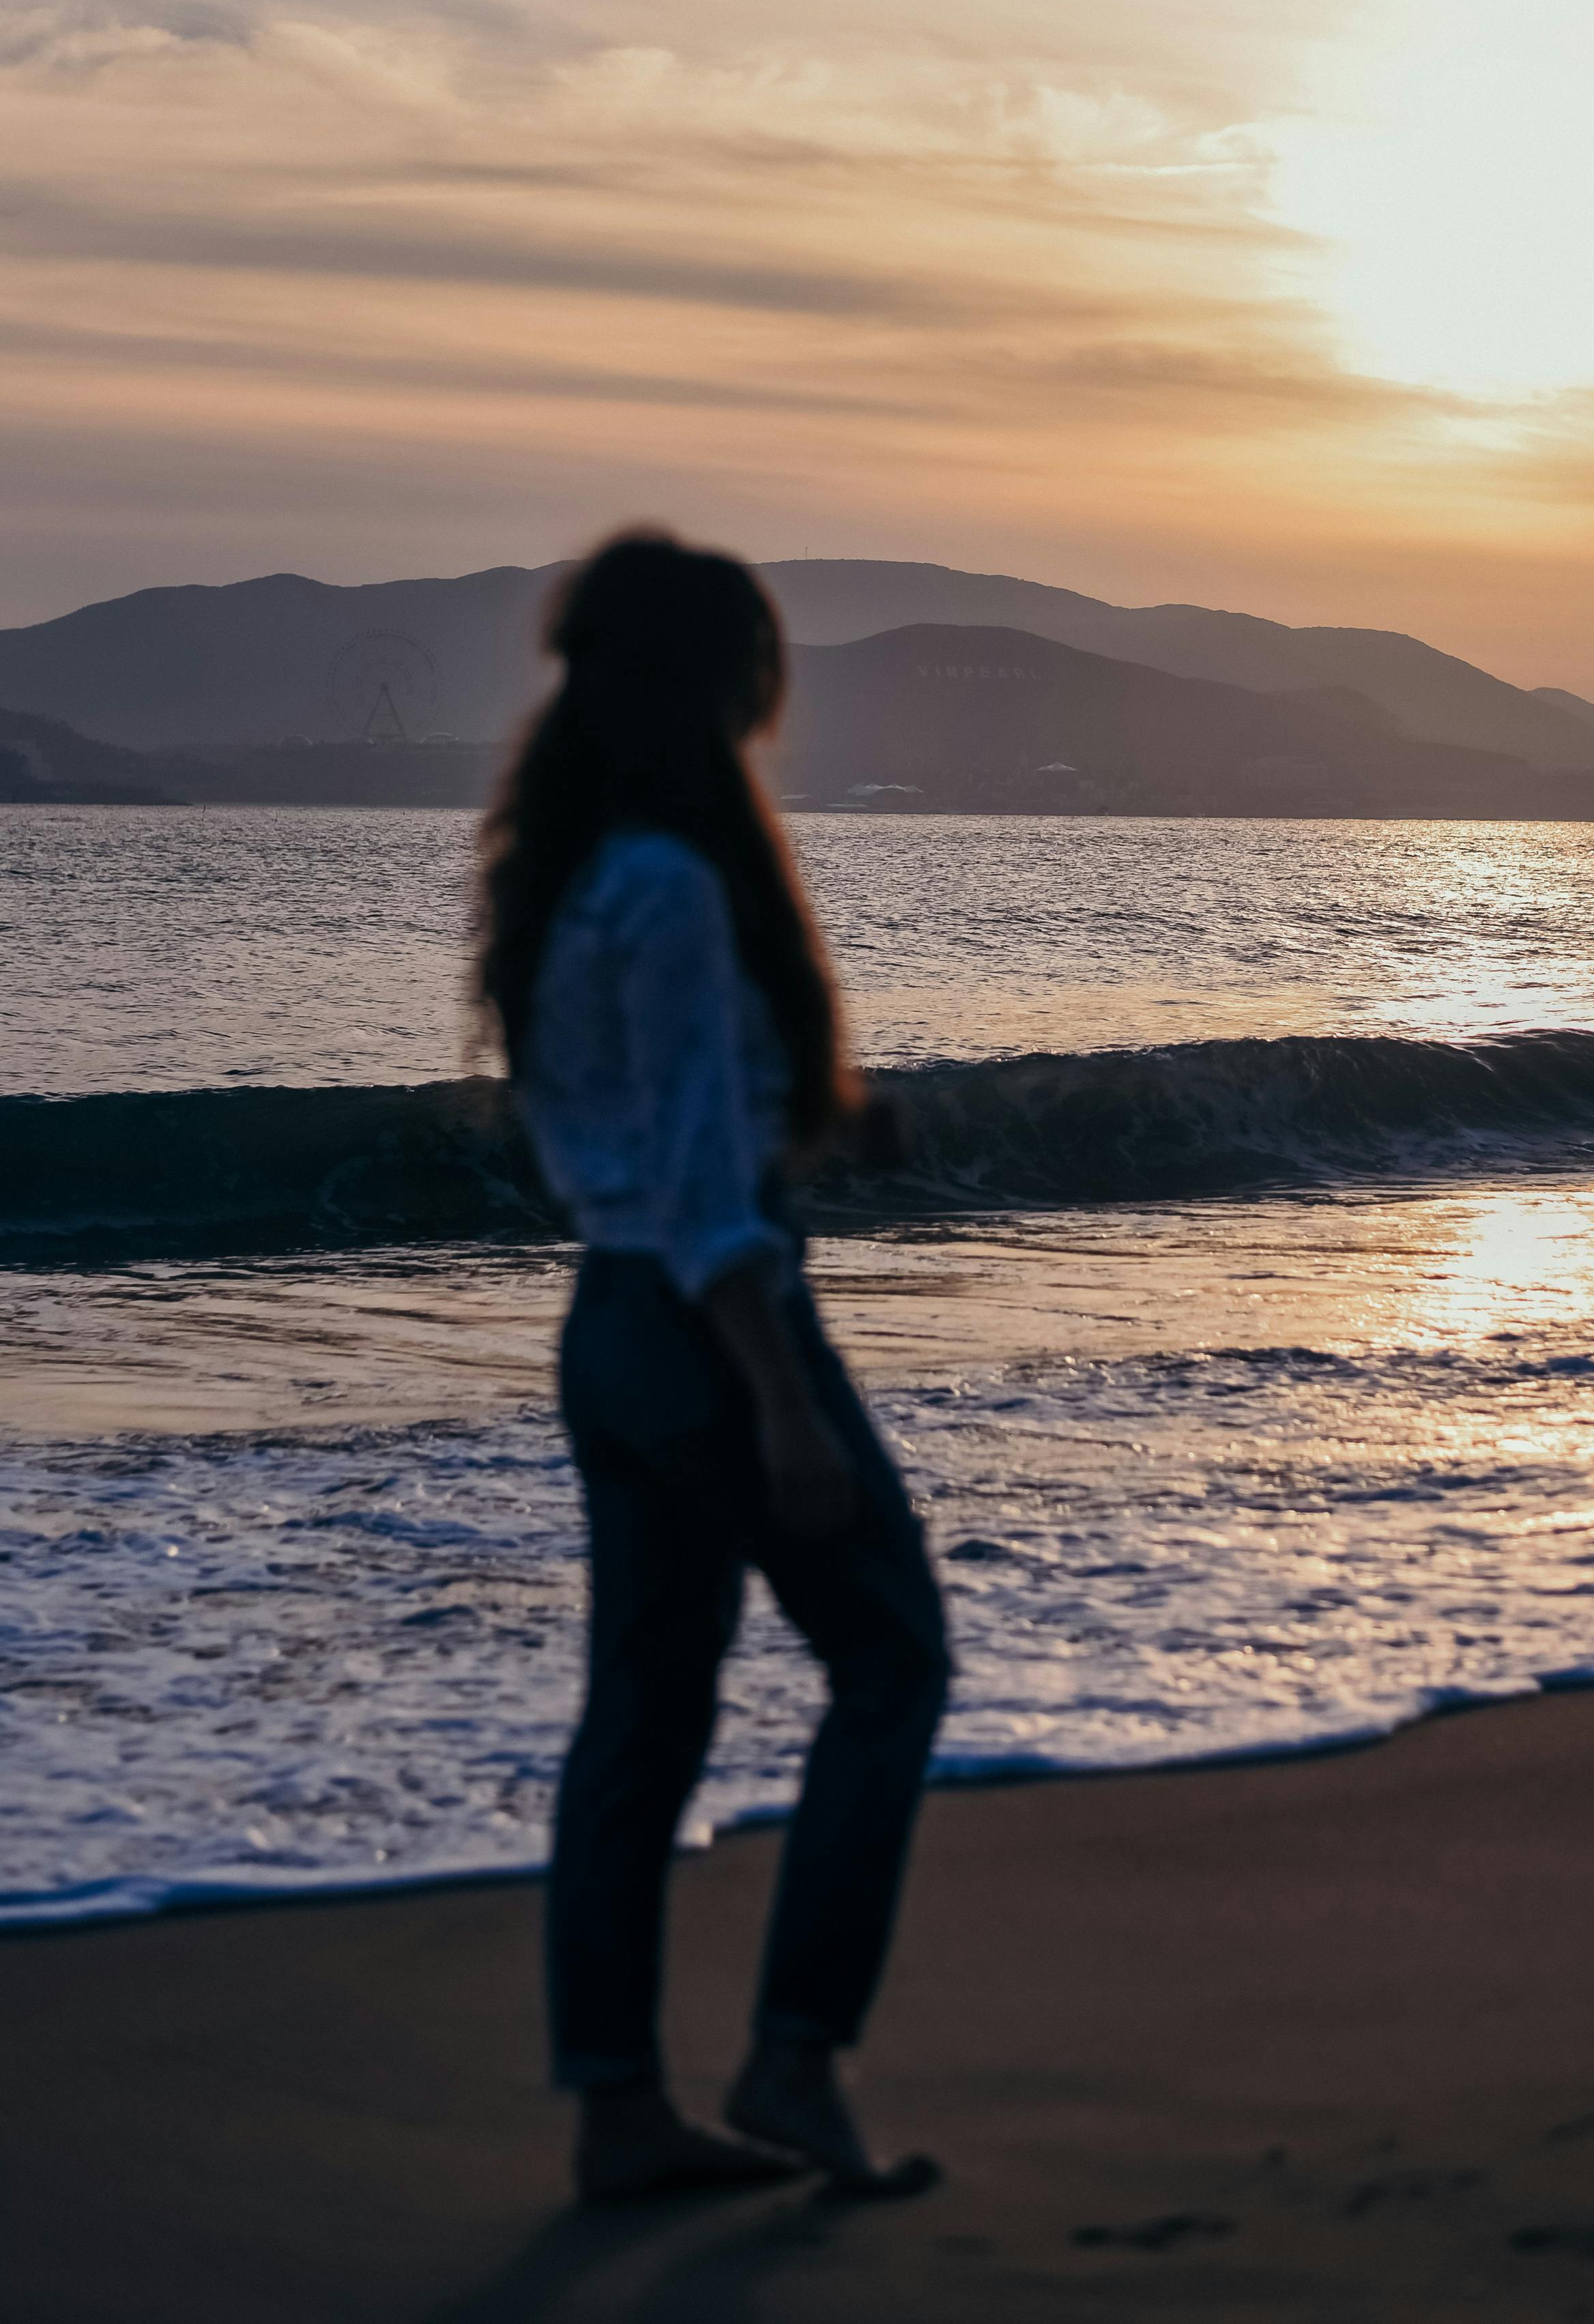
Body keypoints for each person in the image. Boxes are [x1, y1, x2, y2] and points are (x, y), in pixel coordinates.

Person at [477, 529, 950, 2205]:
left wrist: (809, 1118)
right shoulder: (676, 885)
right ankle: (793, 2053)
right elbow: (691, 1179)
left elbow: (627, 1138)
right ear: (714, 681)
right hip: (707, 1326)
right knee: (891, 1660)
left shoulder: (571, 880)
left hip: (610, 1323)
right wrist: (774, 1392)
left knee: (643, 1723)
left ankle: (618, 2107)